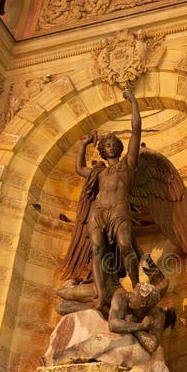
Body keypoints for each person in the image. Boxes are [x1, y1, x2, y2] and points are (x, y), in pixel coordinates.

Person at [76, 86, 142, 311]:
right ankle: (102, 295)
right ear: (103, 151)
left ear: (120, 148)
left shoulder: (127, 165)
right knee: (97, 250)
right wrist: (84, 144)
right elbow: (79, 168)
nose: (111, 145)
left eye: (114, 143)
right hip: (98, 212)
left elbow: (136, 131)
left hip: (119, 211)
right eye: (106, 144)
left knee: (125, 245)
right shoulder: (99, 172)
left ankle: (136, 287)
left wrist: (133, 101)